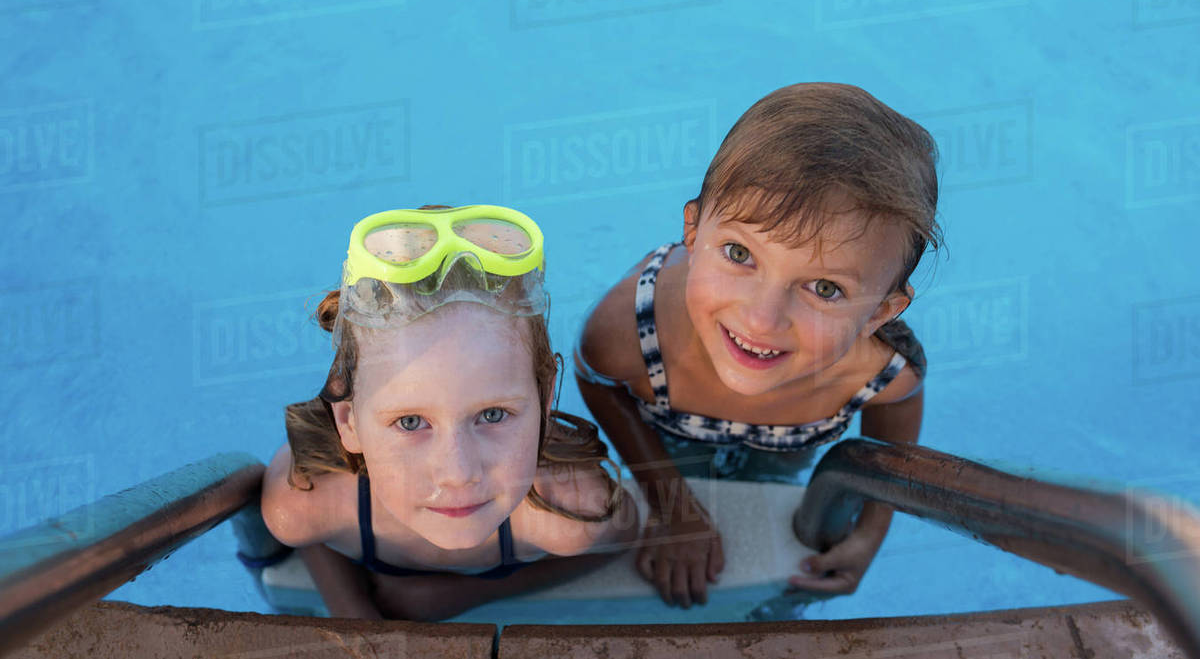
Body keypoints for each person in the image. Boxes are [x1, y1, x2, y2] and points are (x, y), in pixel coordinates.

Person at [575, 83, 940, 608]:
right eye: (739, 253)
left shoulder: (880, 374)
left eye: (825, 288)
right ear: (693, 231)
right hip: (668, 432)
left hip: (787, 445)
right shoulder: (629, 329)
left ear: (879, 312)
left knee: (780, 522)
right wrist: (672, 504)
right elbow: (598, 380)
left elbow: (889, 453)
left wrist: (871, 531)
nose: (761, 318)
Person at [261, 204, 639, 620]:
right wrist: (352, 611)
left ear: (545, 400)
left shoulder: (572, 511)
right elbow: (312, 530)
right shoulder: (302, 505)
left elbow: (622, 538)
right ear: (348, 422)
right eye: (410, 422)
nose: (458, 473)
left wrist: (463, 594)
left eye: (492, 415)